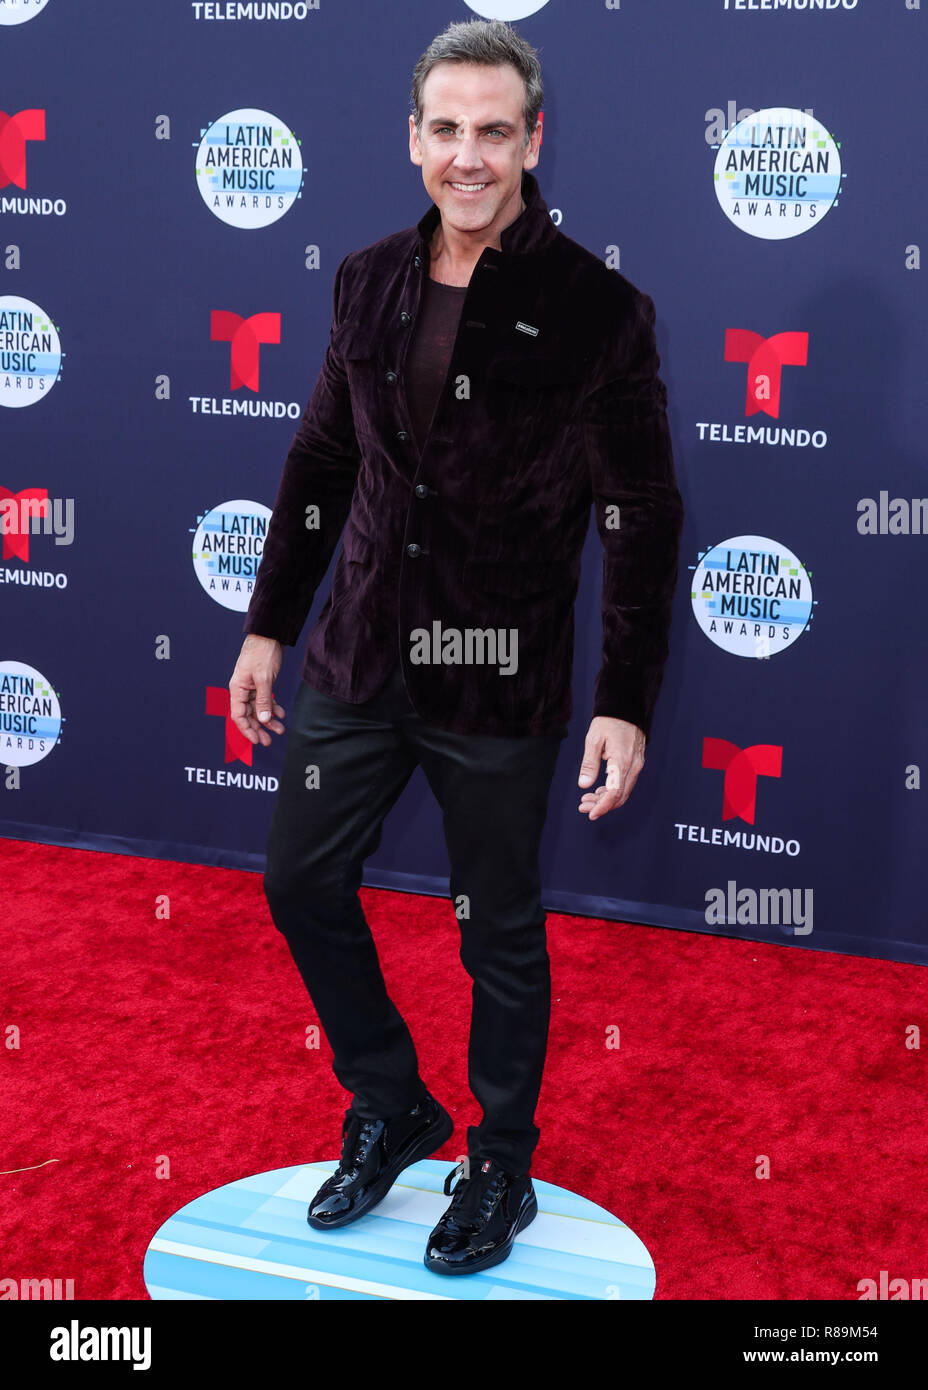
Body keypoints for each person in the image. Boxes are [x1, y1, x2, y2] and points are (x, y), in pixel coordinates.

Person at [228, 17, 683, 1277]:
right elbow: (324, 456)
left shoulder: (598, 308)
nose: (467, 155)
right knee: (299, 881)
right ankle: (389, 1101)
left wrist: (623, 696)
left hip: (500, 674)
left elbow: (641, 513)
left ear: (533, 140)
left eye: (494, 130)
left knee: (496, 928)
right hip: (359, 650)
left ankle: (498, 1163)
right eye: (445, 129)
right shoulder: (366, 277)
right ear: (411, 137)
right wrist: (271, 620)